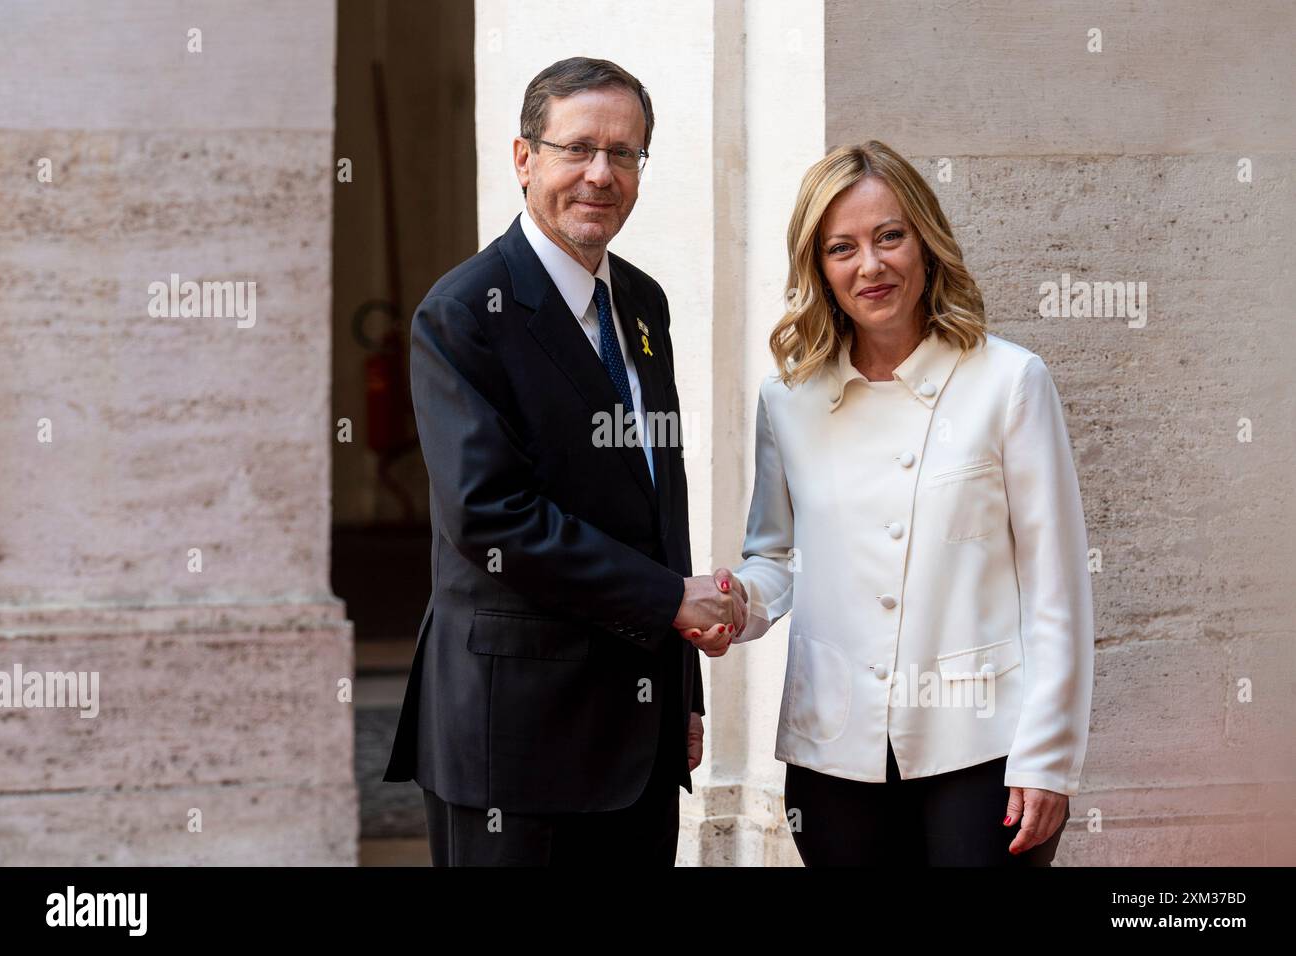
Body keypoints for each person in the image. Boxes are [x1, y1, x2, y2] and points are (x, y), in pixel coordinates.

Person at [382, 57, 744, 866]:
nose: (600, 174)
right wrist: (670, 601)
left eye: (623, 153)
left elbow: (659, 500)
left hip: (638, 739)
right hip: (515, 742)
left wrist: (681, 691)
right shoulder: (463, 313)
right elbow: (490, 516)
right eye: (578, 148)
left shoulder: (642, 303)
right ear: (524, 158)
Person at [705, 141, 1095, 866]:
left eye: (890, 236)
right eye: (841, 248)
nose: (870, 265)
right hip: (833, 750)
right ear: (818, 268)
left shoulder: (1009, 382)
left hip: (980, 745)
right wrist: (735, 603)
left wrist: (1049, 756)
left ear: (926, 242)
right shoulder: (787, 400)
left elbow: (1057, 588)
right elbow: (775, 556)